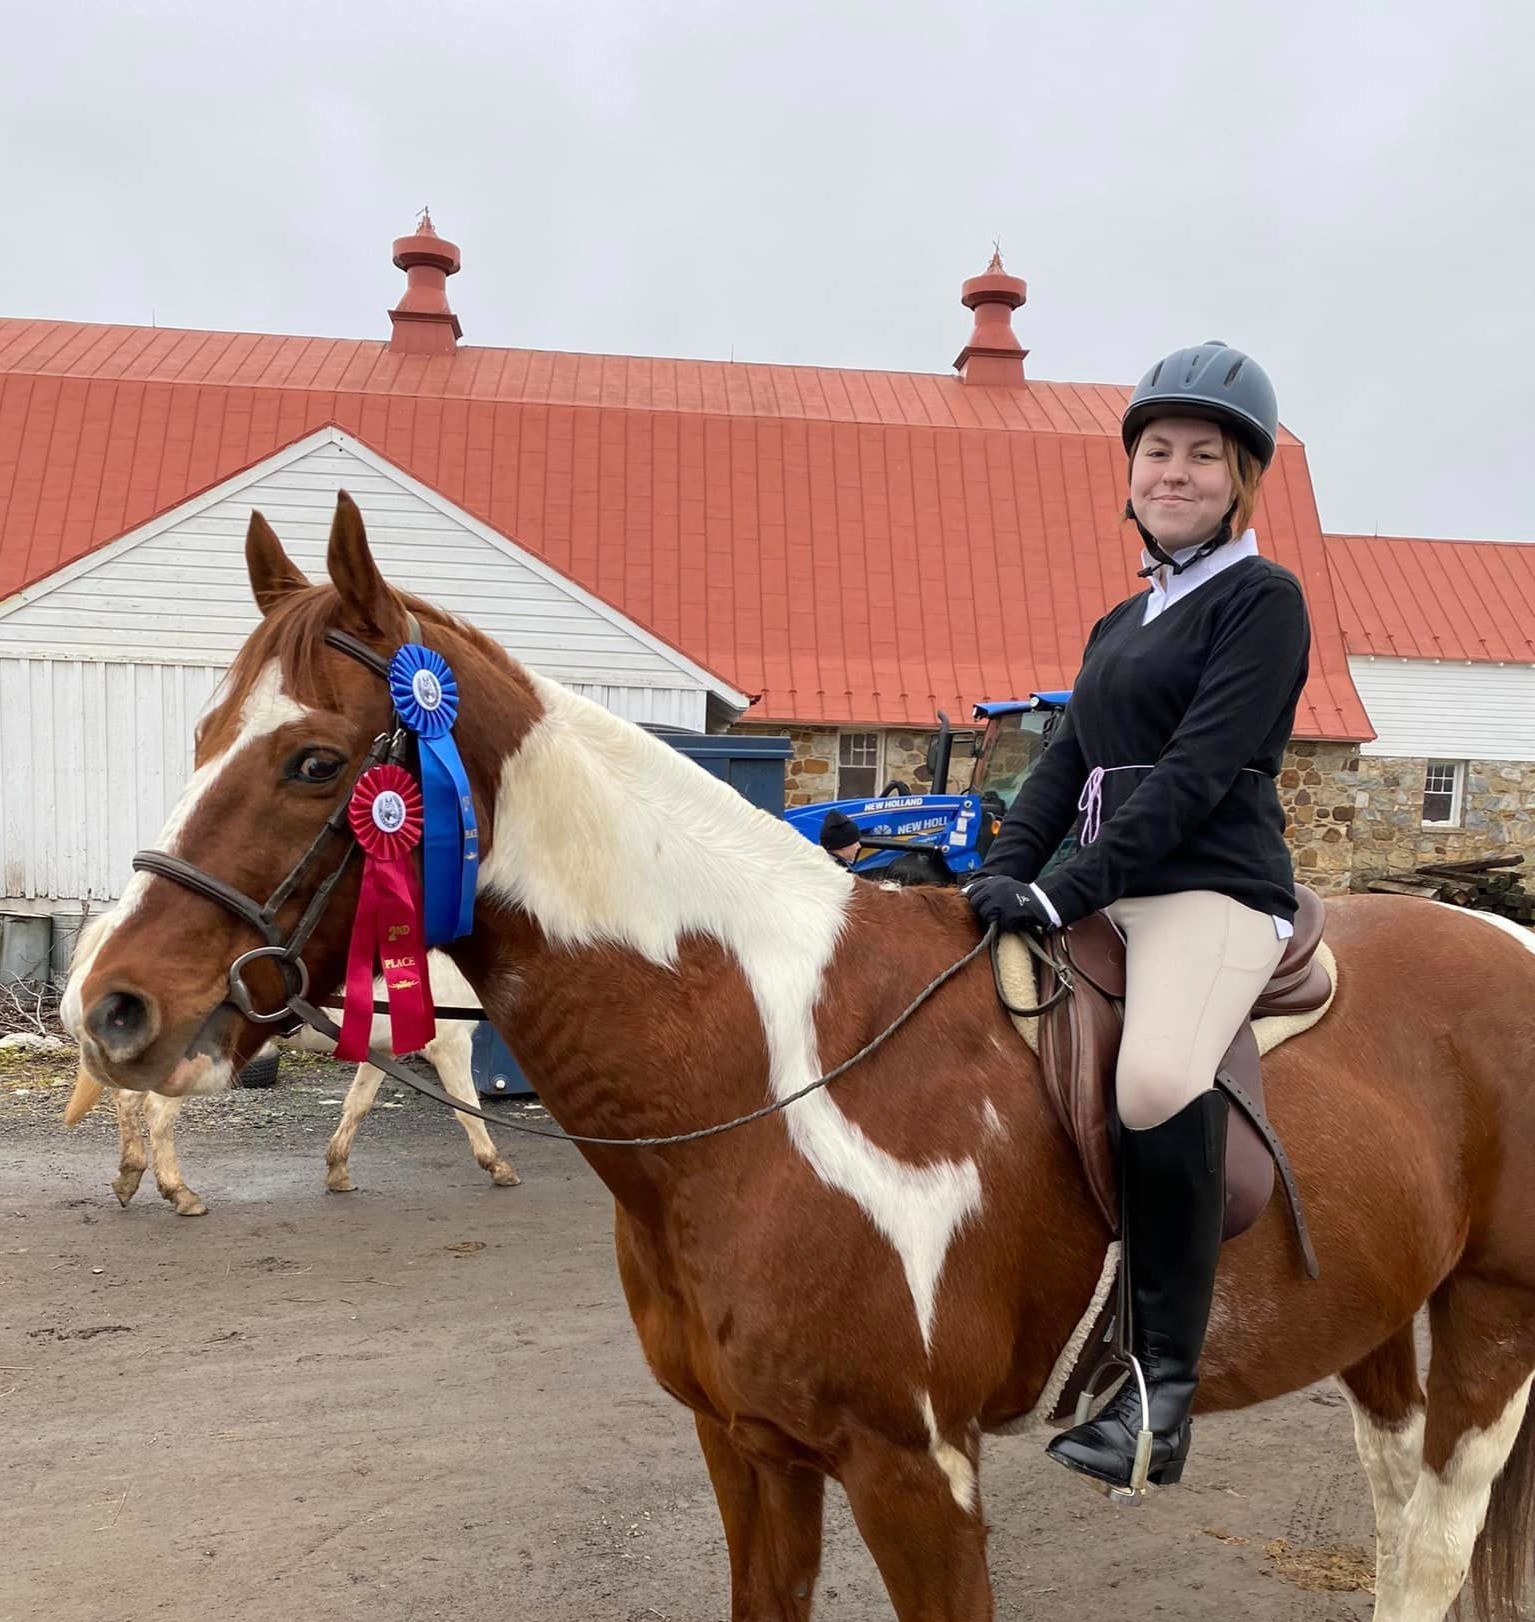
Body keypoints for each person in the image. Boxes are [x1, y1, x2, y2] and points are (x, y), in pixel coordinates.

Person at [962, 341, 1311, 1494]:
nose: (1173, 470)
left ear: (1240, 477)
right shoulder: (1123, 617)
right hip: (1113, 883)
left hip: (1209, 888)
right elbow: (1066, 756)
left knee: (1156, 1077)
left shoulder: (1261, 600)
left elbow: (1194, 773)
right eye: (1155, 450)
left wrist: (1063, 887)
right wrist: (1000, 867)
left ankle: (1158, 1397)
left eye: (1200, 455)